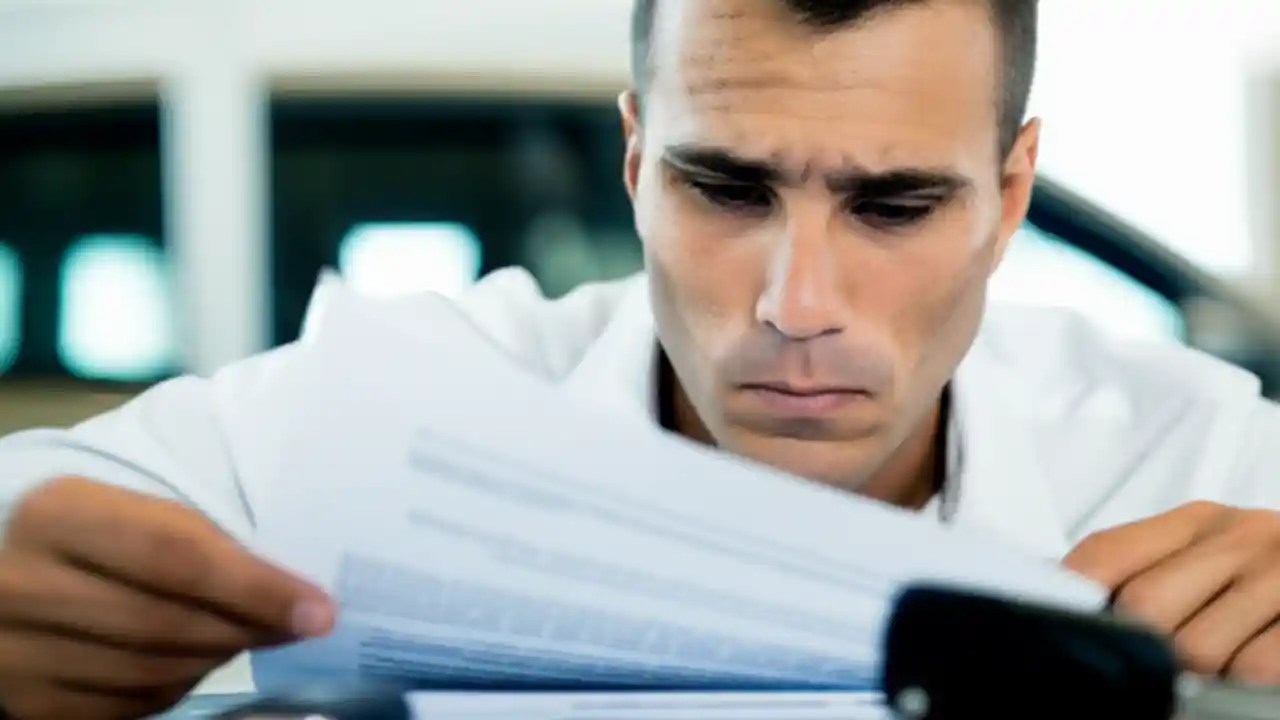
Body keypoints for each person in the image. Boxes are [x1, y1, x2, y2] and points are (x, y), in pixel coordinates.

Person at [1, 0, 1279, 717]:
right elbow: (40, 501)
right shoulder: (416, 405)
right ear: (632, 164)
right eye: (722, 188)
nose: (795, 304)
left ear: (1008, 199)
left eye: (892, 206)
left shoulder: (1195, 459)